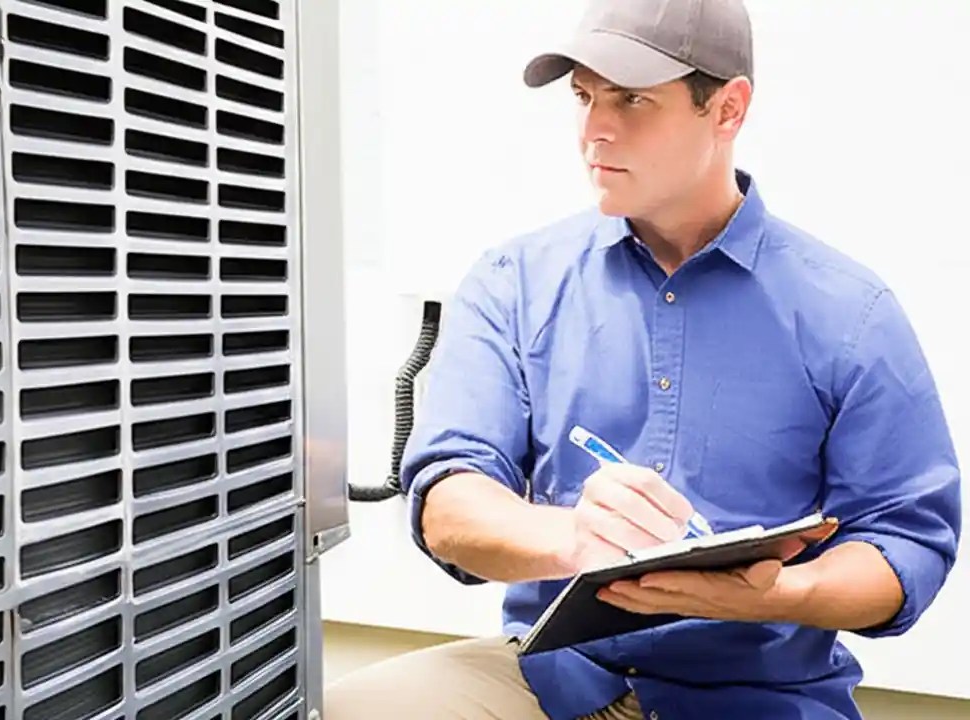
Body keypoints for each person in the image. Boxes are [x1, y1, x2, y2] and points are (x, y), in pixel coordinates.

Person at [323, 0, 962, 718]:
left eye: (631, 99)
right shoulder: (515, 282)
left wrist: (781, 594)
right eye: (584, 96)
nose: (594, 128)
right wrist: (573, 537)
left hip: (760, 696)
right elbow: (448, 499)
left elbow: (906, 540)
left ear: (728, 109)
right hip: (553, 681)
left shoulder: (850, 311)